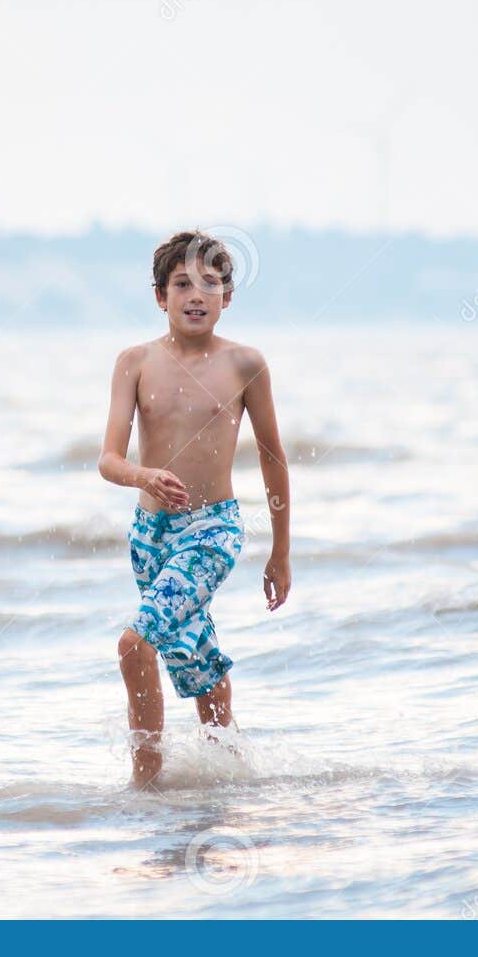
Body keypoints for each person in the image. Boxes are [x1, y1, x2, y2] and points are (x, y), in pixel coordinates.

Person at [97, 231, 292, 787]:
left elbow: (274, 458)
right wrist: (144, 476)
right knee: (196, 662)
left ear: (227, 297)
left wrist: (280, 552)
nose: (196, 295)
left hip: (213, 529)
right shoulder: (134, 363)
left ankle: (145, 784)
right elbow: (108, 460)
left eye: (210, 283)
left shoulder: (245, 364)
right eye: (182, 284)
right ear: (161, 296)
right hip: (149, 536)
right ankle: (229, 776)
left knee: (135, 643)